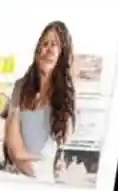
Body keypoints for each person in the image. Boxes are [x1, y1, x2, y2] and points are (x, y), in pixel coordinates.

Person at [5, 21, 76, 182]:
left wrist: (36, 165)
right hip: (15, 177)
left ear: (62, 54)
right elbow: (14, 149)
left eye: (55, 45)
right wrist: (35, 162)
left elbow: (62, 142)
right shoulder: (20, 88)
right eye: (45, 43)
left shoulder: (66, 96)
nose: (49, 50)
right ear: (37, 51)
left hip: (43, 181)